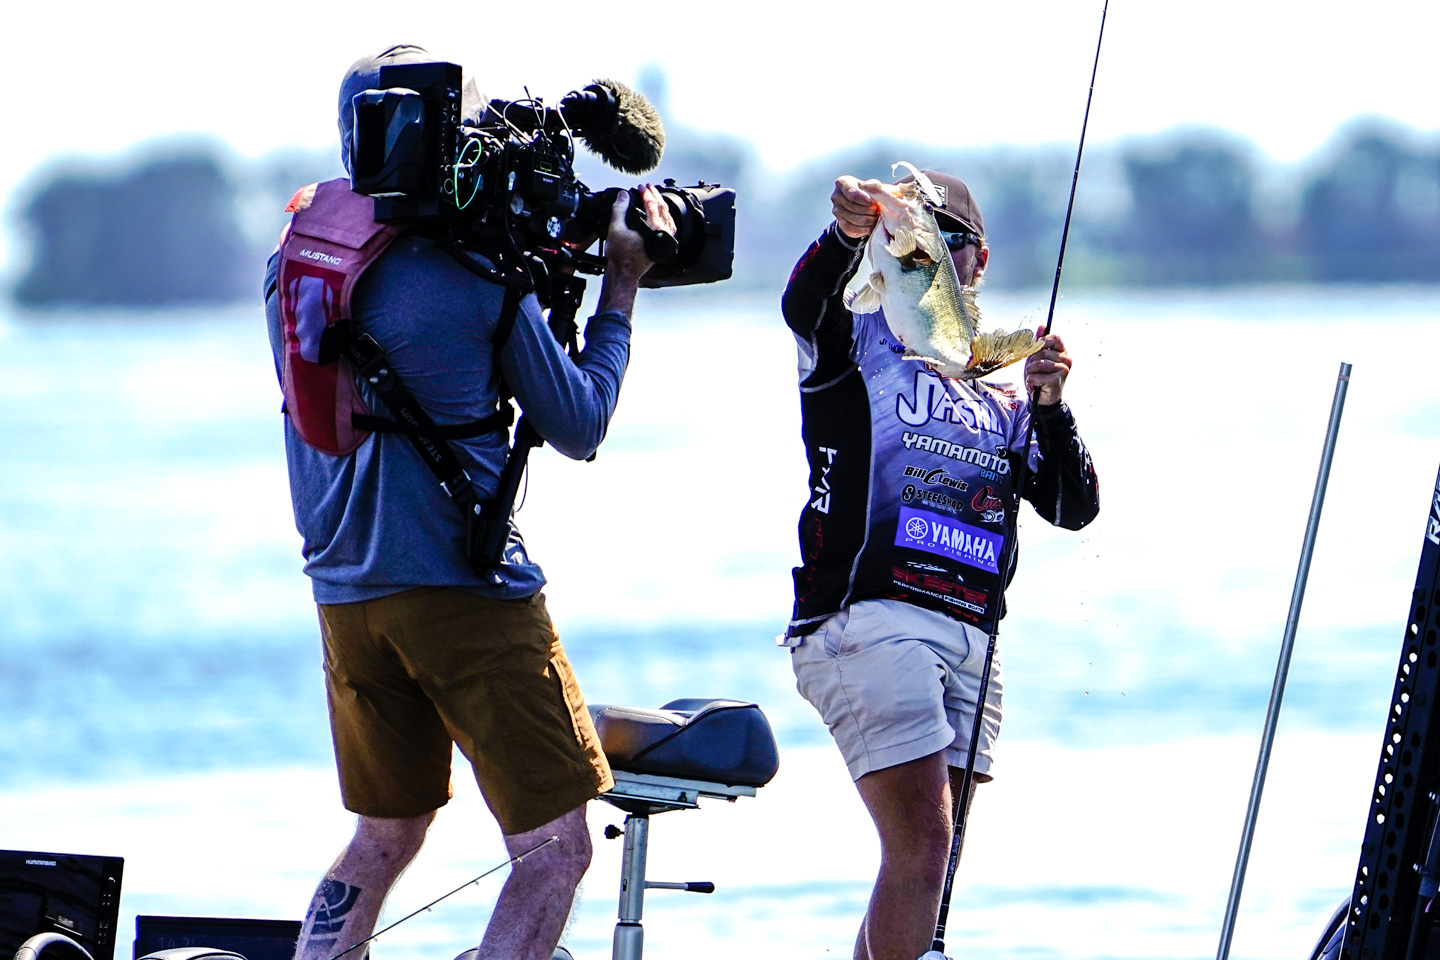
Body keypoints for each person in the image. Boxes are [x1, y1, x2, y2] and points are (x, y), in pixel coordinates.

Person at [263, 46, 675, 960]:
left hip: (345, 600)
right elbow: (580, 422)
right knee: (555, 850)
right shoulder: (482, 284)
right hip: (462, 595)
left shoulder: (293, 268)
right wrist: (619, 287)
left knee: (384, 835)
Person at [777, 171, 1100, 960]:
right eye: (917, 246)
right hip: (870, 617)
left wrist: (1051, 408)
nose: (935, 259)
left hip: (971, 638)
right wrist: (847, 234)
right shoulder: (853, 343)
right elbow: (804, 302)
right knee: (922, 845)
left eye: (947, 246)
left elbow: (1072, 506)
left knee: (933, 864)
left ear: (977, 260)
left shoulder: (1001, 394)